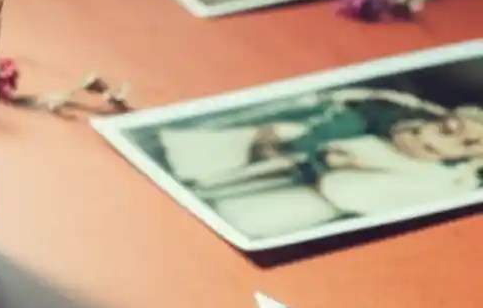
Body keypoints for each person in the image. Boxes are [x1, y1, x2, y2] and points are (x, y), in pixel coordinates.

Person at [157, 87, 483, 235]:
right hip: (285, 155)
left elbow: (357, 194)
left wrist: (349, 165)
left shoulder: (444, 181)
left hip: (313, 195)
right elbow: (334, 118)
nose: (449, 140)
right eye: (449, 129)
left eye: (467, 144)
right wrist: (285, 138)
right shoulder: (385, 115)